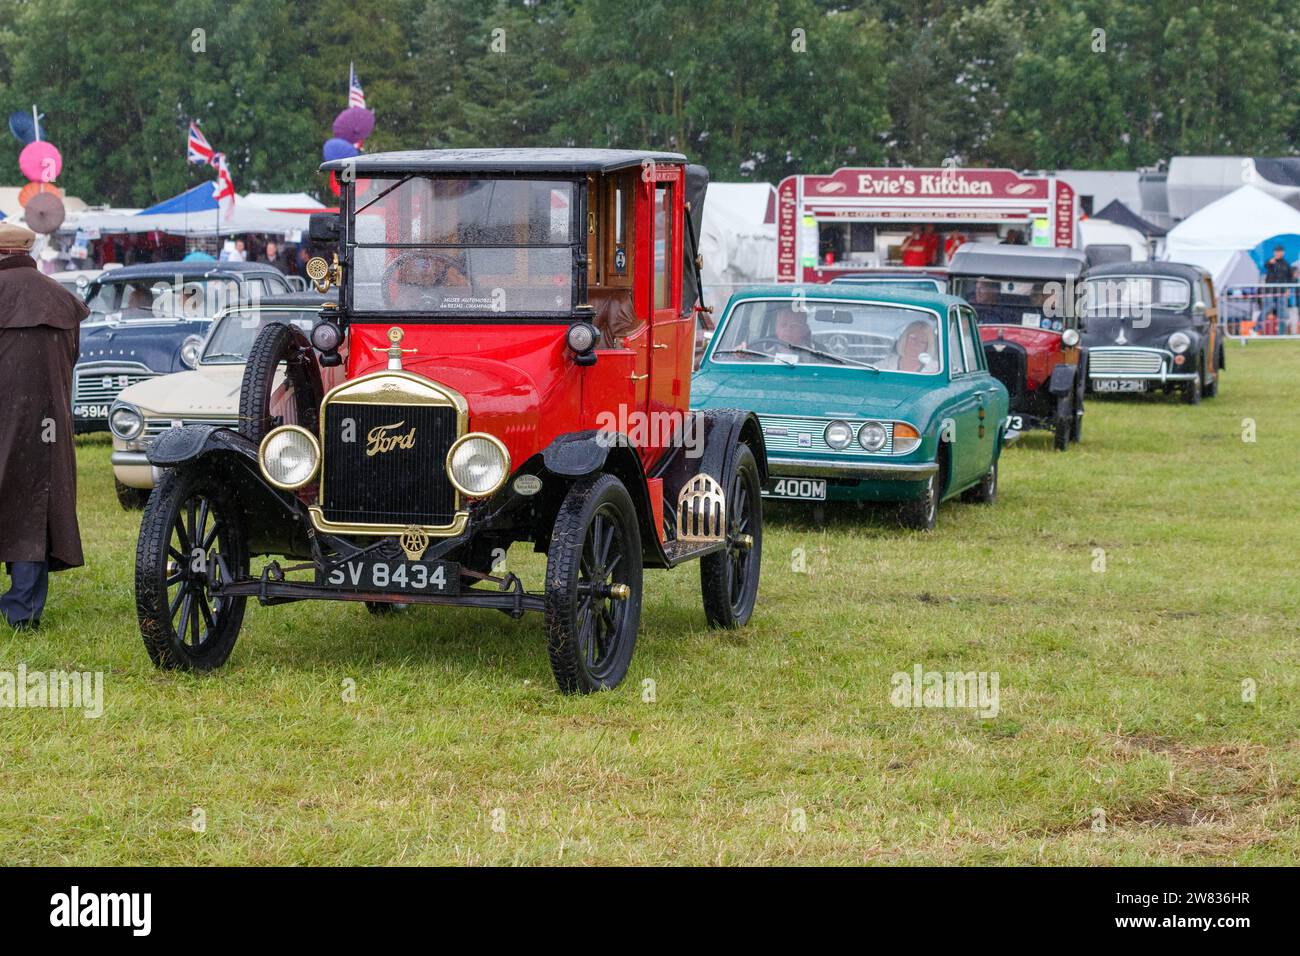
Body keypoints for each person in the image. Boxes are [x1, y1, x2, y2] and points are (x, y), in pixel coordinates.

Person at [0, 223, 90, 629]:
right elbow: (70, 359)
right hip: (47, 427)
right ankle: (23, 609)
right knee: (33, 507)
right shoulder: (59, 297)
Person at [1261, 244, 1293, 331]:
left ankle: (1281, 332)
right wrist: (1269, 262)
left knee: (1282, 312)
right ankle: (1256, 329)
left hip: (1282, 291)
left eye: (1279, 251)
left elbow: (1290, 278)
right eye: (1276, 251)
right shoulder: (1270, 262)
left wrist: (1288, 290)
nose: (1277, 253)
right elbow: (1265, 266)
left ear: (1283, 252)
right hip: (1270, 291)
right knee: (1267, 309)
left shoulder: (1286, 264)